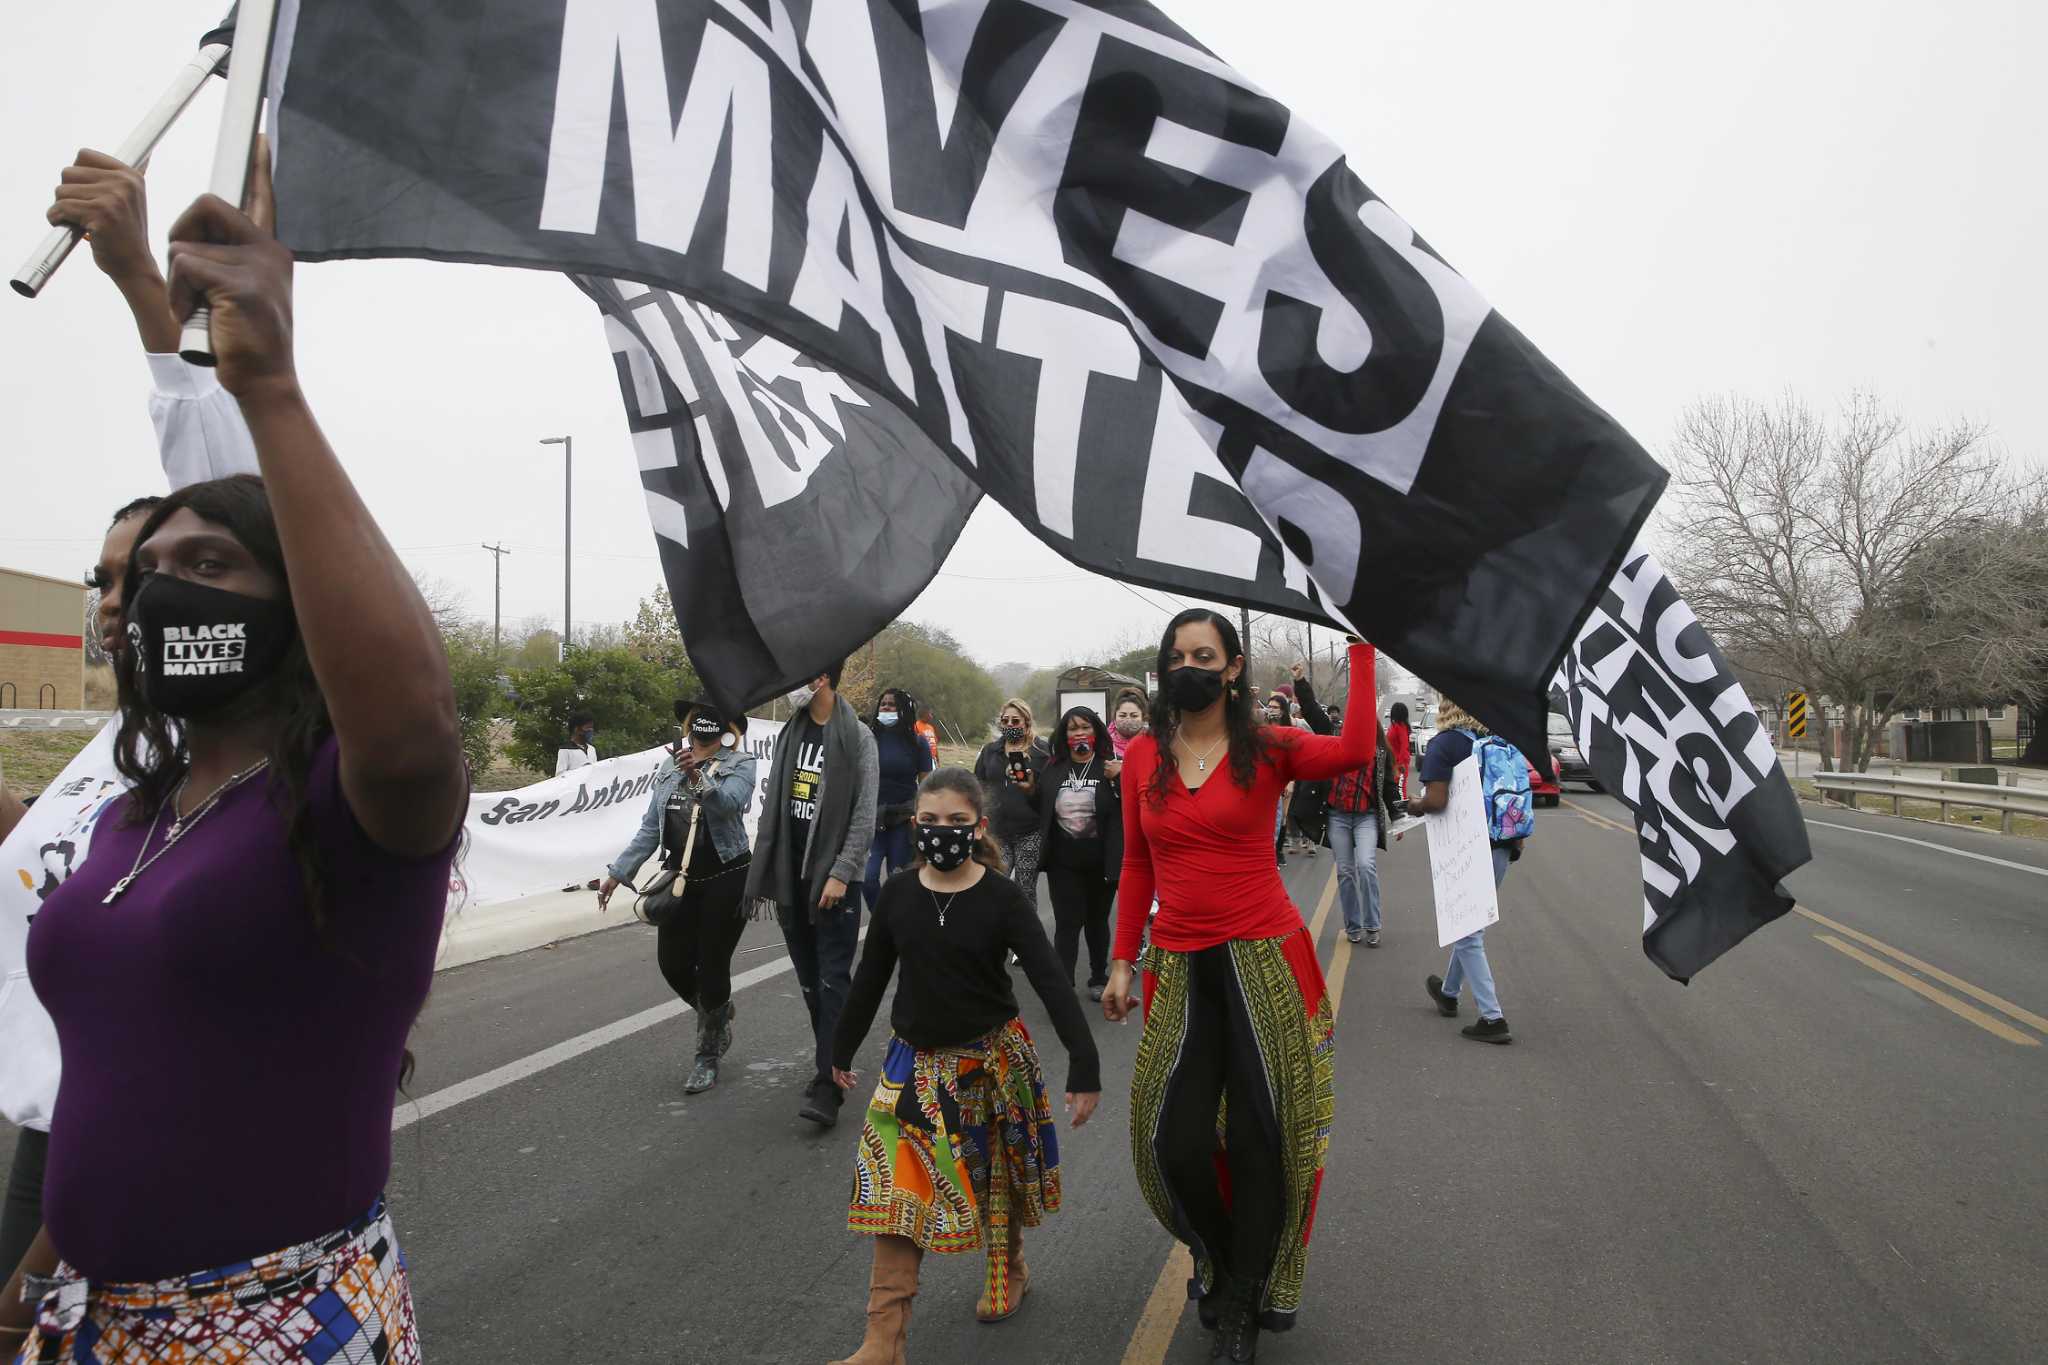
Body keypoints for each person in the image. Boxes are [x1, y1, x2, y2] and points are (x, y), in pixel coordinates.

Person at [4, 182, 467, 1361]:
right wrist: (44, 1260)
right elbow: (135, 1064)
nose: (153, 594)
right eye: (138, 573)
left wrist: (266, 385)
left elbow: (413, 718)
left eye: (204, 563)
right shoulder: (132, 816)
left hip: (270, 1329)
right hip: (92, 1313)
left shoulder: (355, 809)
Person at [0, 152, 263, 1307]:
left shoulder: (257, 770)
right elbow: (36, 865)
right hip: (47, 1131)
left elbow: (251, 501)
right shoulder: (129, 773)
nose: (124, 604)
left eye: (159, 577)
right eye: (110, 580)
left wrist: (143, 295)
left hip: (137, 1189)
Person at [1102, 610, 1375, 1362]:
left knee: (1263, 1141)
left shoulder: (1269, 745)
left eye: (1203, 654)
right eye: (1176, 654)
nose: (1187, 664)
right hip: (1181, 966)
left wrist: (1362, 642)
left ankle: (1243, 1298)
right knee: (1172, 1139)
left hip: (1266, 961)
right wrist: (1124, 958)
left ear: (1231, 666)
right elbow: (1135, 866)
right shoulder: (1143, 757)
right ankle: (1218, 1257)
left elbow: (1356, 748)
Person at [828, 769, 1101, 1363]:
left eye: (955, 823)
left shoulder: (1002, 896)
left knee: (994, 1177)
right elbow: (871, 977)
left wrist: (1084, 1064)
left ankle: (1008, 1266)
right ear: (913, 824)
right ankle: (883, 1339)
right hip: (914, 1069)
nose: (941, 834)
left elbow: (1052, 981)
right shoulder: (899, 892)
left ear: (978, 826)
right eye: (929, 823)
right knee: (895, 1191)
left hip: (990, 1063)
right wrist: (838, 1051)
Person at [598, 700, 757, 1092]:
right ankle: (716, 1013)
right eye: (696, 719)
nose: (700, 725)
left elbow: (728, 805)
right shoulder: (669, 766)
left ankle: (707, 1056)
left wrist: (697, 778)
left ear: (726, 728)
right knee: (672, 964)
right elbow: (650, 828)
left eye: (711, 718)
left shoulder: (741, 763)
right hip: (681, 879)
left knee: (712, 963)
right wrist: (618, 874)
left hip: (728, 876)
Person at [747, 660, 879, 1128]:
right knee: (810, 982)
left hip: (834, 883)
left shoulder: (857, 737)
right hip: (790, 878)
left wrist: (842, 872)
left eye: (800, 674)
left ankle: (828, 1083)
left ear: (820, 678)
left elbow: (864, 816)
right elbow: (776, 805)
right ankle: (831, 1060)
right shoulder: (791, 733)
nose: (791, 684)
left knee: (832, 978)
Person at [1411, 699, 1521, 1044]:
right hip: (1503, 845)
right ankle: (1448, 992)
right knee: (1471, 924)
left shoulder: (1444, 744)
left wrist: (1415, 805)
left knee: (1469, 934)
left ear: (1446, 708)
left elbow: (1437, 800)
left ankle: (1493, 1017)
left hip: (1467, 848)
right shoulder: (1500, 741)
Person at [1295, 667, 1402, 947]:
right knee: (1344, 871)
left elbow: (1389, 787)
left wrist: (1399, 817)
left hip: (1366, 817)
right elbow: (1313, 714)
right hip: (1337, 817)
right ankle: (1353, 925)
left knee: (1366, 866)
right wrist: (1300, 682)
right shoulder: (1335, 735)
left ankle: (1372, 924)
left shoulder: (1380, 750)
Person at [1032, 707, 1122, 1000]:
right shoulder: (1053, 768)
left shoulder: (1109, 767)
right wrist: (1026, 790)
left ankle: (1098, 976)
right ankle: (1063, 984)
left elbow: (1131, 803)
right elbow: (1041, 807)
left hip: (1101, 863)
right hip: (1063, 863)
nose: (1079, 733)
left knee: (1098, 922)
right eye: (1073, 728)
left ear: (1096, 731)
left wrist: (1121, 777)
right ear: (1064, 734)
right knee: (1067, 924)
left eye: (1085, 726)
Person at [863, 686, 935, 914]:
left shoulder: (919, 743)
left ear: (904, 709)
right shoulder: (868, 738)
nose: (885, 708)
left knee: (899, 881)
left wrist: (923, 820)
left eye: (891, 705)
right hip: (872, 820)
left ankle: (899, 926)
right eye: (883, 704)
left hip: (903, 820)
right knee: (867, 878)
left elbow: (926, 787)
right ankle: (882, 922)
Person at [973, 699, 1050, 897]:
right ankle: (997, 928)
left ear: (1026, 723)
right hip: (997, 831)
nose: (1009, 725)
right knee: (995, 888)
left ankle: (1026, 927)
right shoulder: (990, 751)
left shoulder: (1041, 751)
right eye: (1005, 721)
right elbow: (978, 784)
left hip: (1030, 831)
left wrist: (1031, 786)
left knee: (1025, 890)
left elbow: (1049, 792)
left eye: (1015, 721)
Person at [1108, 688, 1148, 764]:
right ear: (1114, 717)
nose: (1128, 720)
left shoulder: (1152, 743)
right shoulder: (1104, 744)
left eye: (1134, 716)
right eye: (1122, 715)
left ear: (1143, 718)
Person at [1387, 702, 1414, 802]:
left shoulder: (1400, 726)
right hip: (1393, 763)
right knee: (1395, 788)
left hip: (1400, 763)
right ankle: (1399, 809)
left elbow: (1404, 745)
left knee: (1400, 789)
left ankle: (1404, 811)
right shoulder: (1393, 726)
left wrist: (1401, 763)